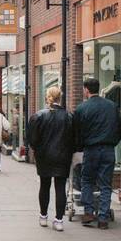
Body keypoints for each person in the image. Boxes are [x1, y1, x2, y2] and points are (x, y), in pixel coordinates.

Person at [73, 75, 121, 228]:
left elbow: (77, 131)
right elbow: (119, 128)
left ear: (86, 90)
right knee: (105, 185)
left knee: (87, 180)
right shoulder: (112, 106)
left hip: (91, 149)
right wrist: (112, 143)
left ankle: (88, 213)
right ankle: (103, 217)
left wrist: (79, 147)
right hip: (108, 149)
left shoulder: (82, 108)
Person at [26, 85, 74, 230]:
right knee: (60, 187)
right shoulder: (68, 117)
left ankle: (43, 216)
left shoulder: (39, 116)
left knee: (44, 185)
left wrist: (37, 149)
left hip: (44, 155)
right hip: (63, 156)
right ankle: (59, 220)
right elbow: (74, 138)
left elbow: (31, 138)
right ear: (60, 97)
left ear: (48, 98)